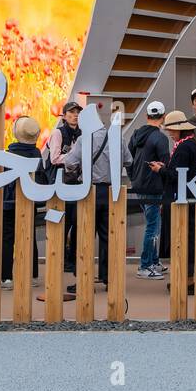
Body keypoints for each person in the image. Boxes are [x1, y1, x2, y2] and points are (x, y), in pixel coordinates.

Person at [59, 112, 134, 301]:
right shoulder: (118, 137)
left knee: (82, 235)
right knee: (109, 236)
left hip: (87, 192)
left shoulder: (85, 139)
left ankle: (83, 279)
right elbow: (129, 160)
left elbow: (69, 162)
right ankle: (109, 278)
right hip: (111, 193)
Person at [150, 110, 196, 295]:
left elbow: (177, 175)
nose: (169, 132)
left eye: (171, 129)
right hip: (185, 196)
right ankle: (186, 280)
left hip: (180, 199)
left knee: (181, 240)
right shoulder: (189, 144)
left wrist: (160, 170)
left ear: (180, 130)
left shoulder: (184, 147)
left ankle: (185, 281)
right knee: (184, 240)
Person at [128, 101, 171, 279]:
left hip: (139, 185)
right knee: (153, 226)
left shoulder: (136, 134)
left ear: (147, 116)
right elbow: (166, 164)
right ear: (163, 118)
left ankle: (153, 261)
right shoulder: (160, 138)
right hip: (154, 187)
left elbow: (127, 159)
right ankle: (145, 266)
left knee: (153, 224)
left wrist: (133, 177)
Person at [1, 116, 42, 290]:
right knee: (30, 237)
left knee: (8, 238)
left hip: (10, 201)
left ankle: (6, 278)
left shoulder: (9, 153)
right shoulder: (37, 153)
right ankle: (32, 275)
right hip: (30, 200)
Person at [41, 101, 81, 273]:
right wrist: (74, 157)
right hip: (60, 183)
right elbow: (54, 159)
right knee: (62, 222)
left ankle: (72, 259)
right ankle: (60, 259)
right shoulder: (58, 133)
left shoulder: (81, 134)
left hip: (76, 182)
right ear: (64, 116)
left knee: (75, 221)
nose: (75, 115)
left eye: (77, 112)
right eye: (71, 113)